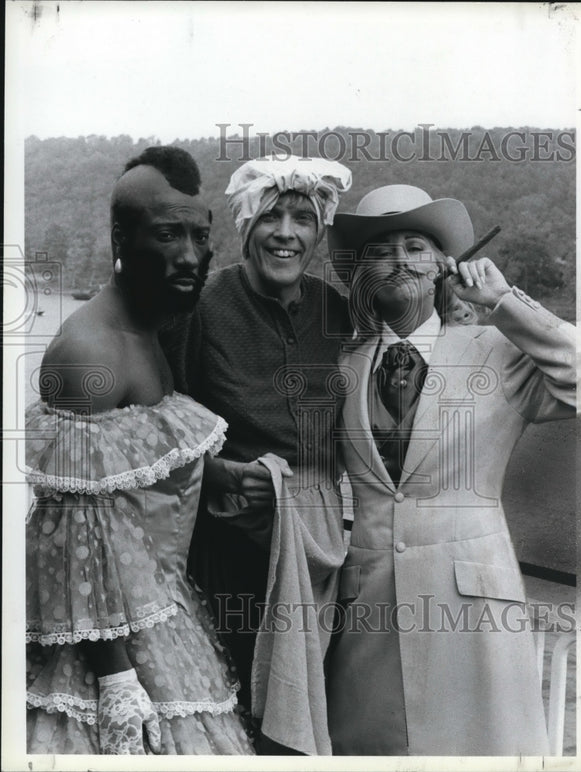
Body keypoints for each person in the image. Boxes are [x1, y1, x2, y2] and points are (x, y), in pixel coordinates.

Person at [324, 184, 579, 755]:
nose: (399, 261)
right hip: (368, 608)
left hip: (476, 609)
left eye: (415, 246)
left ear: (444, 264)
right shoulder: (341, 365)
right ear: (362, 271)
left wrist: (505, 301)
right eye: (381, 250)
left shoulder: (498, 350)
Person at [25, 146, 254, 755]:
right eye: (167, 234)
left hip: (160, 608)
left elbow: (137, 479)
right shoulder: (87, 354)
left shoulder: (150, 330)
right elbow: (68, 533)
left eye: (200, 236)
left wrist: (218, 474)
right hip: (104, 643)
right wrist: (117, 680)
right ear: (120, 238)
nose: (190, 255)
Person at [161, 155, 352, 754]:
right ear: (246, 226)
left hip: (321, 547)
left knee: (309, 707)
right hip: (228, 547)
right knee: (238, 706)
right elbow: (154, 425)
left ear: (320, 231)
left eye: (302, 218)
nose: (286, 233)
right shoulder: (201, 307)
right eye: (271, 217)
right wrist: (215, 471)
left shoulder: (338, 314)